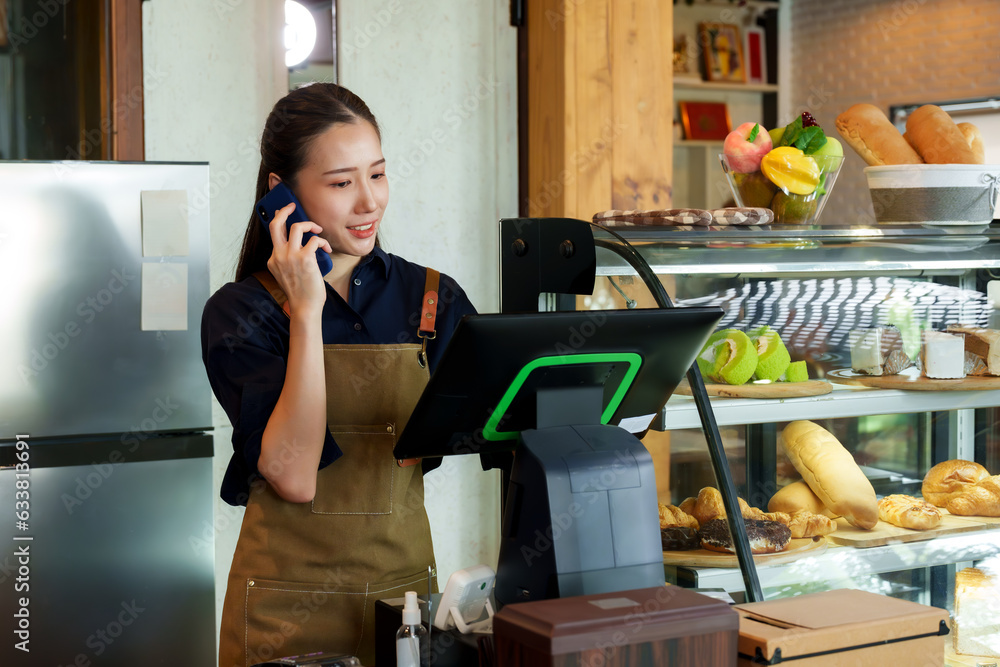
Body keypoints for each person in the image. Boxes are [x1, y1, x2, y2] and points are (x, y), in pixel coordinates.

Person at [201, 83, 477, 667]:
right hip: (283, 617)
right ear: (281, 194)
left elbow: (505, 429)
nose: (369, 202)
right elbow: (294, 477)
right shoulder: (240, 314)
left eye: (377, 174)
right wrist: (306, 311)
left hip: (403, 606)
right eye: (341, 183)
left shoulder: (433, 299)